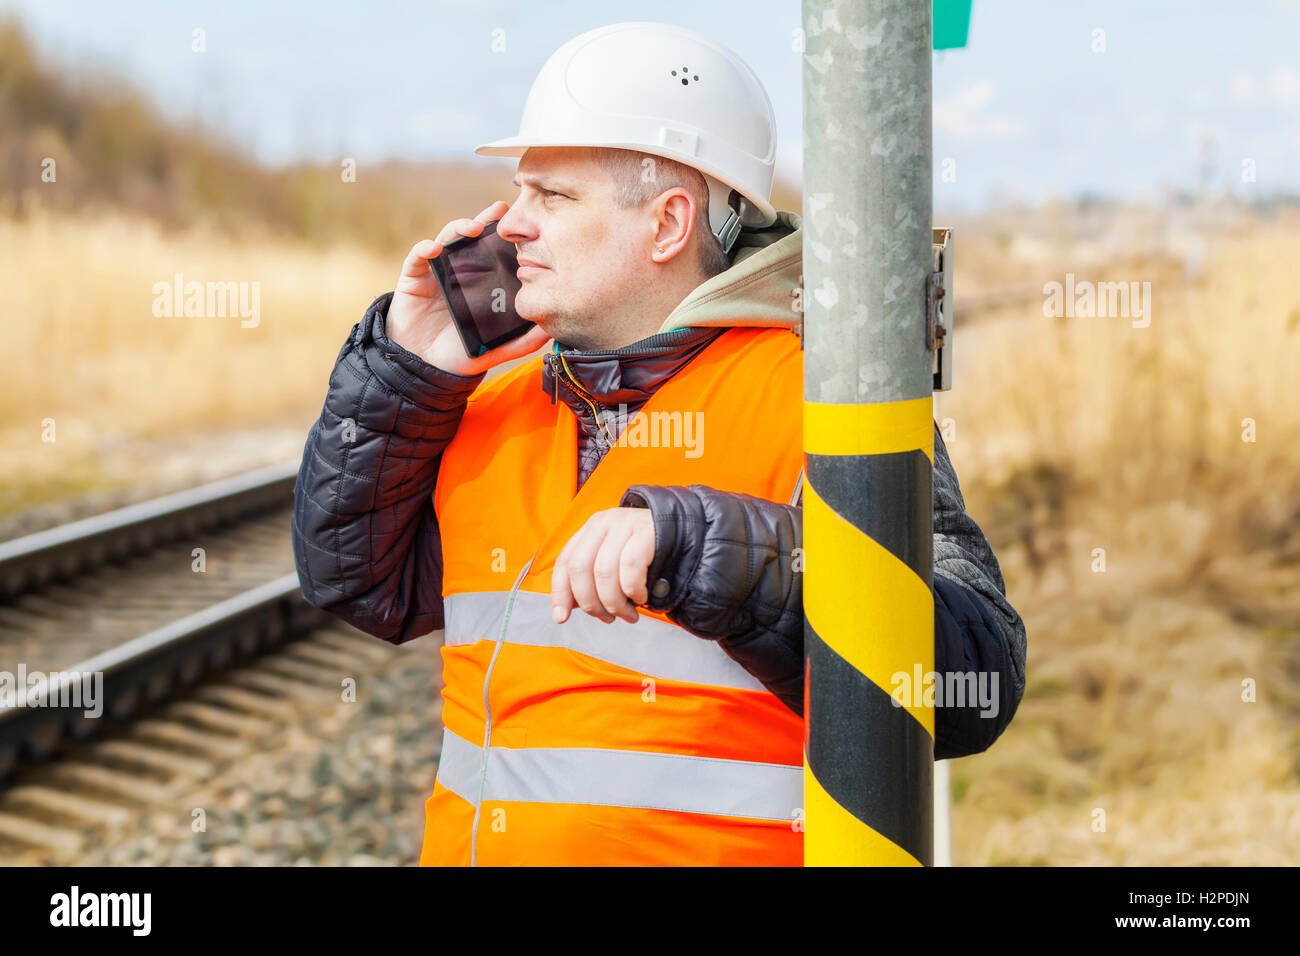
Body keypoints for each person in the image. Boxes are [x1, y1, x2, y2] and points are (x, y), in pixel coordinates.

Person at [291, 21, 1026, 866]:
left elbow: (972, 677)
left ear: (669, 222)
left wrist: (712, 550)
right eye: (518, 192)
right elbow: (358, 584)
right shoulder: (491, 394)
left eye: (553, 198)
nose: (507, 227)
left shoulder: (824, 398)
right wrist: (405, 370)